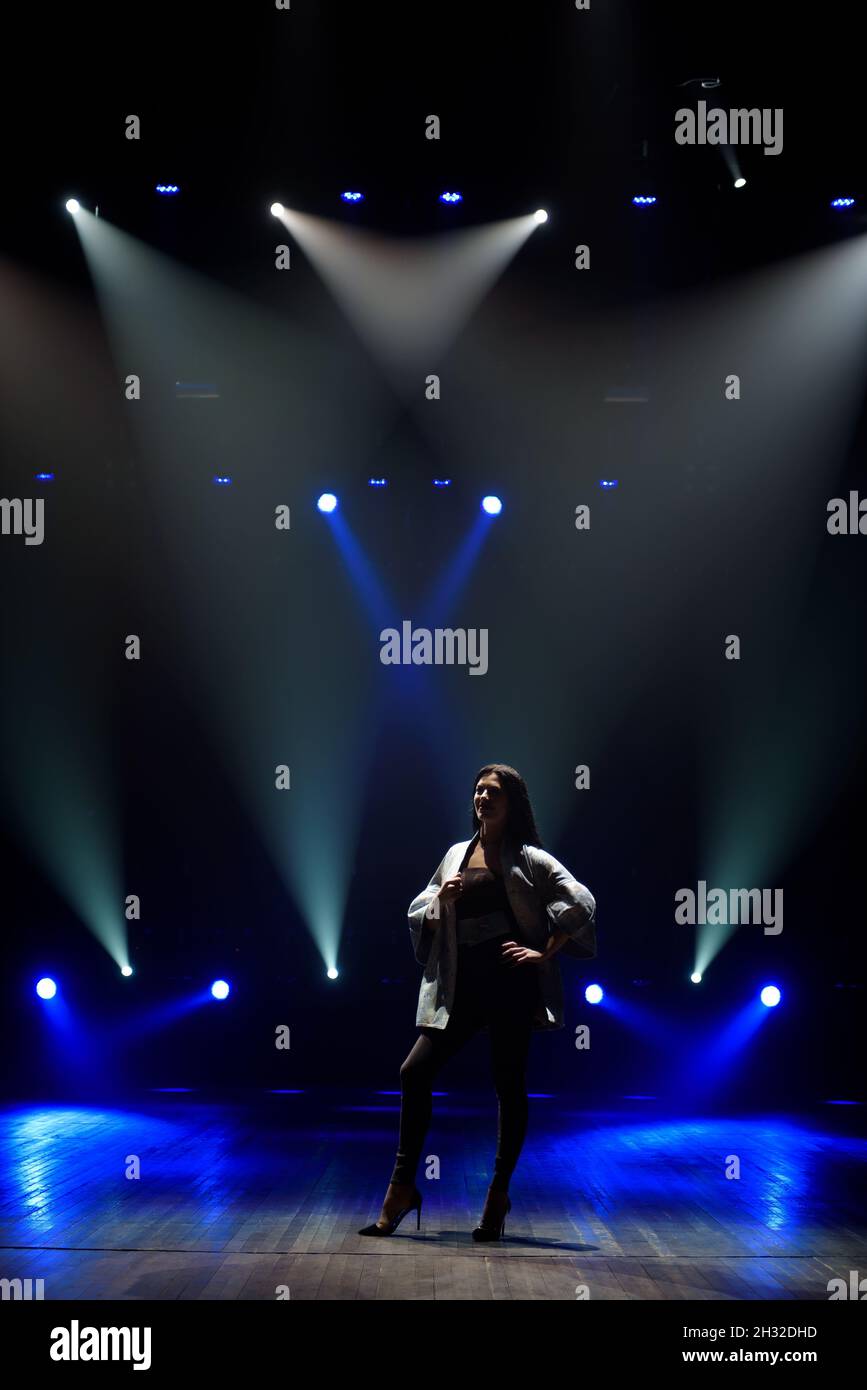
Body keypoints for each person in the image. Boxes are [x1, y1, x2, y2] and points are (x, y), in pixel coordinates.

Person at [358, 763, 596, 1241]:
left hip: (509, 981)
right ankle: (402, 1187)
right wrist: (439, 903)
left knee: (508, 1085)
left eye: (493, 793)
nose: (482, 798)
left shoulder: (529, 858)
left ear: (511, 804)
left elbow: (581, 901)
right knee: (415, 1070)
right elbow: (418, 910)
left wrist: (543, 952)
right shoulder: (455, 855)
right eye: (478, 791)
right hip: (462, 983)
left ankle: (498, 1193)